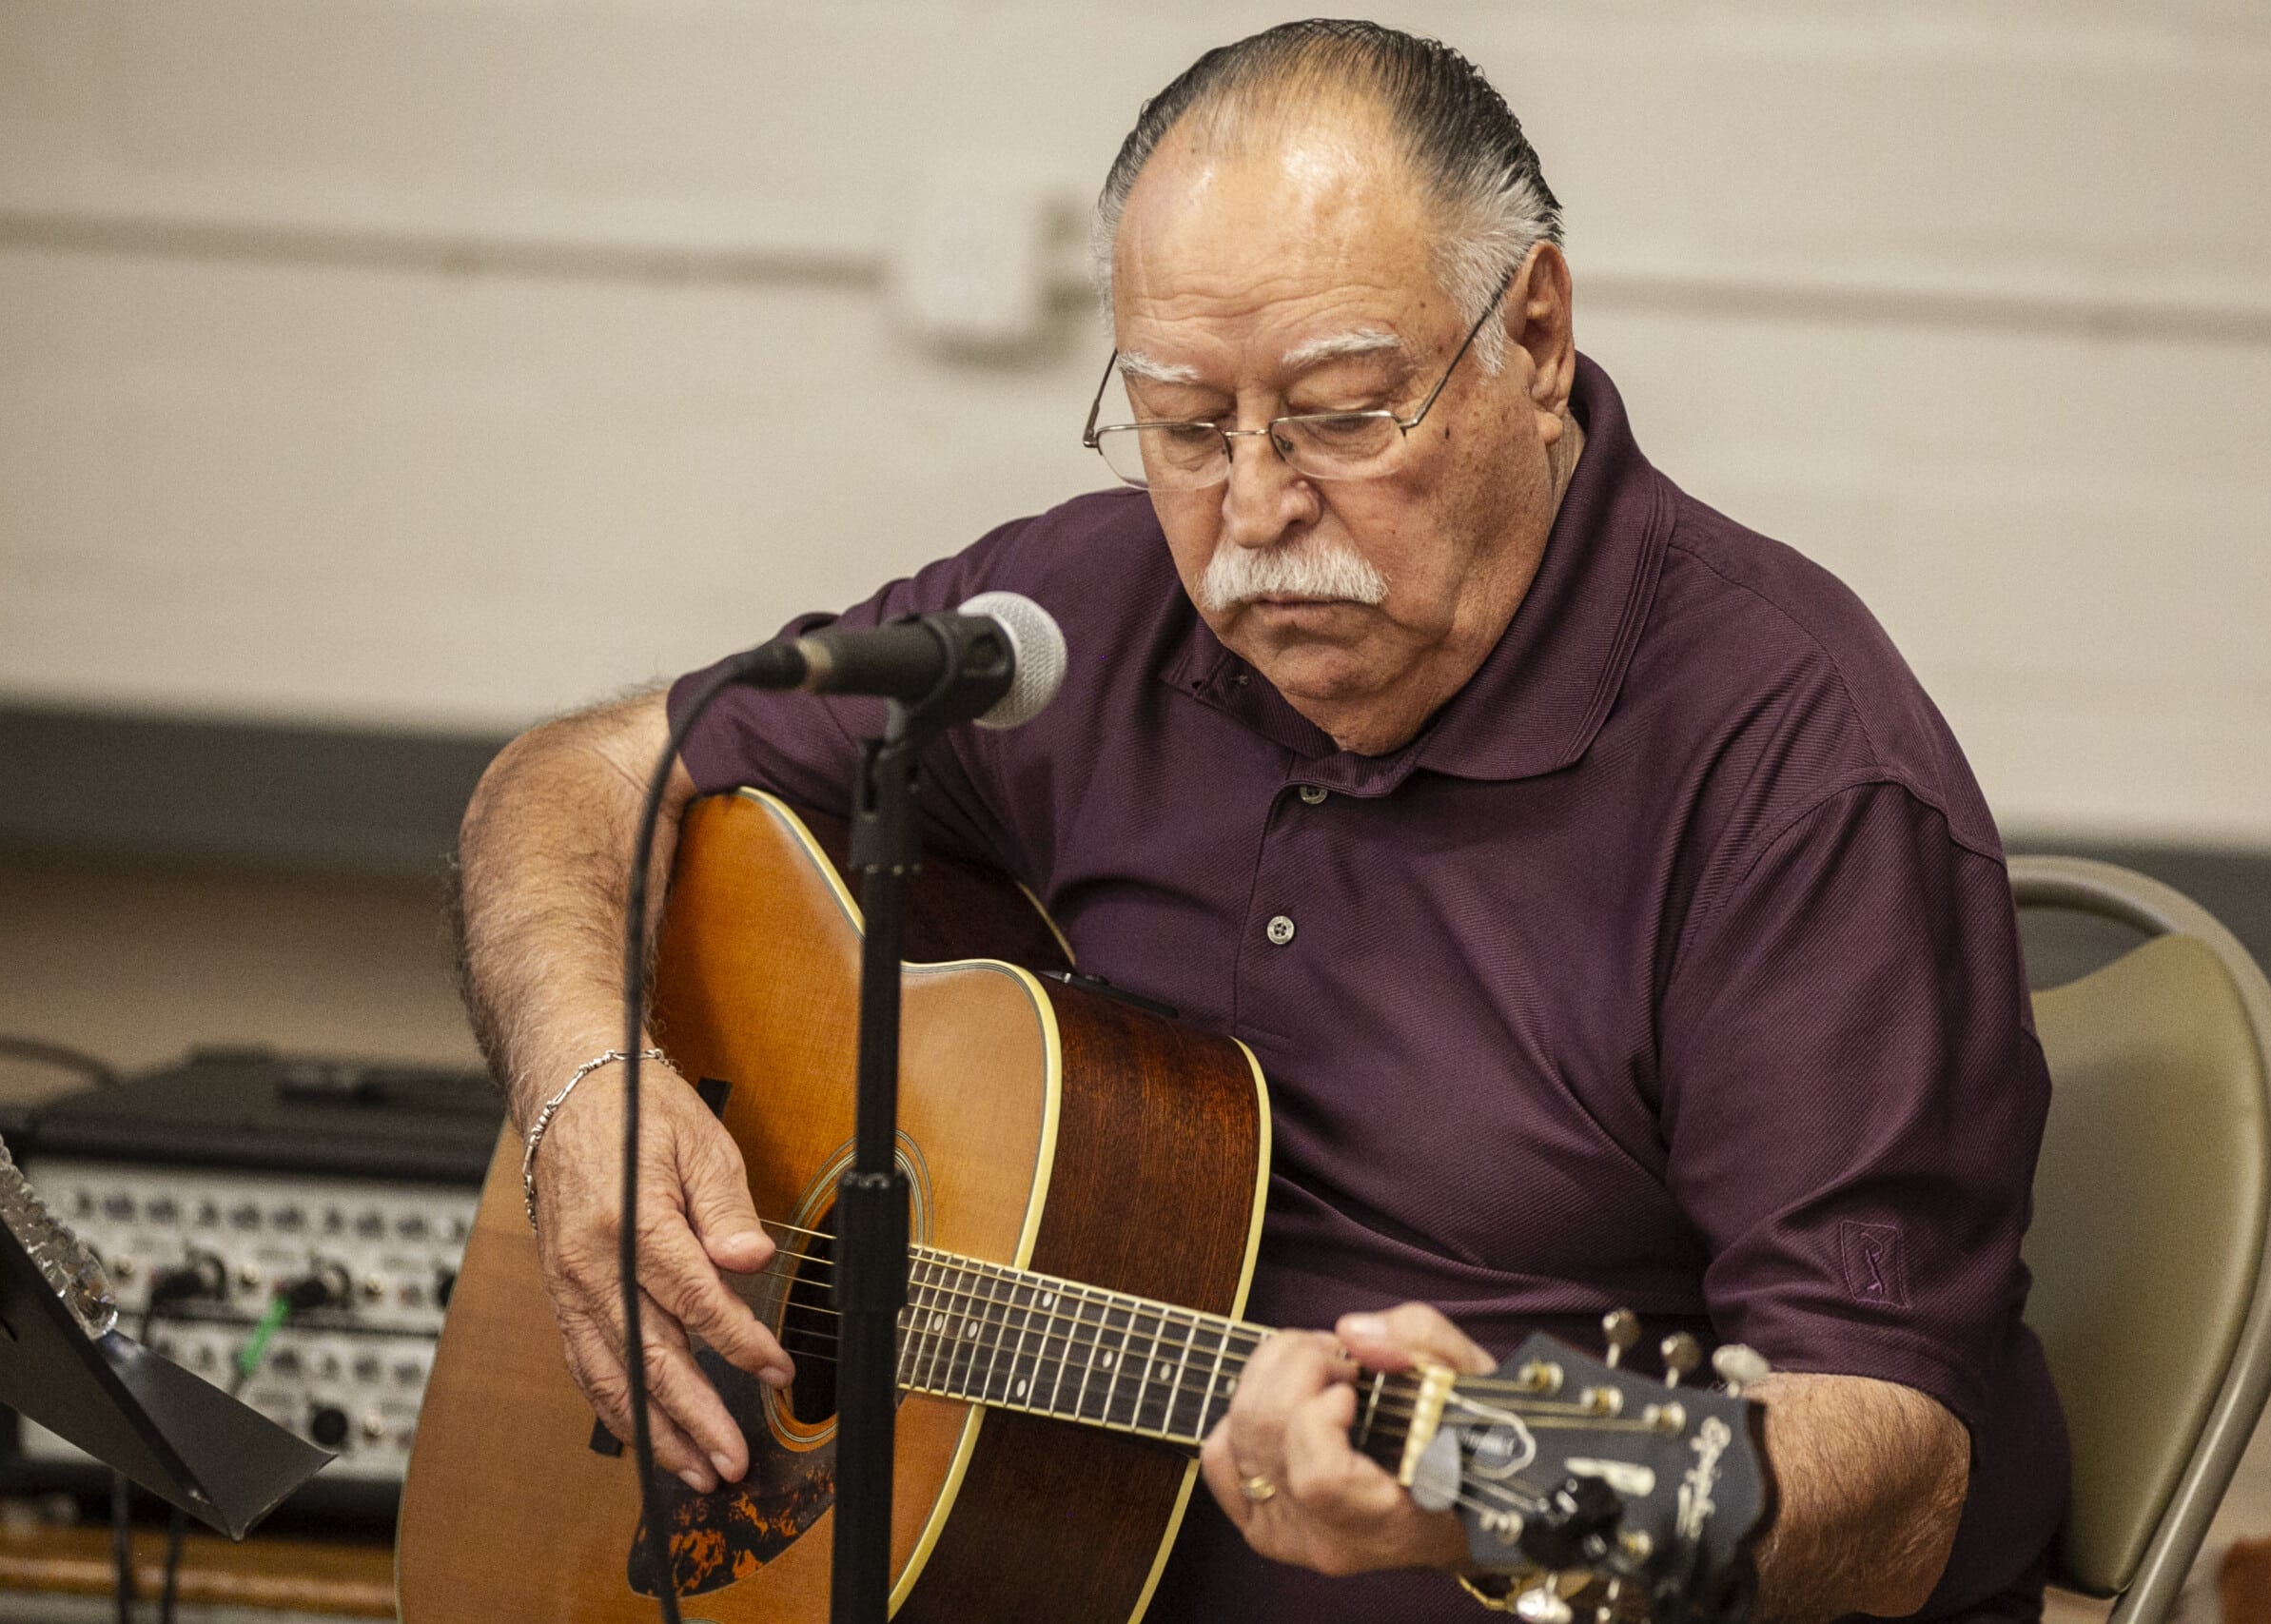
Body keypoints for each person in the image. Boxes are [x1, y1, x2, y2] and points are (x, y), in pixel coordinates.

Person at [455, 21, 2066, 1623]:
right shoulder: (1085, 620)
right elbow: (585, 778)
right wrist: (585, 1079)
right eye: (1180, 424)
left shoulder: (1798, 776)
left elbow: (1899, 1473)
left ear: (1539, 334)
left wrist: (1484, 1495)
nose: (1253, 509)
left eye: (1344, 411)